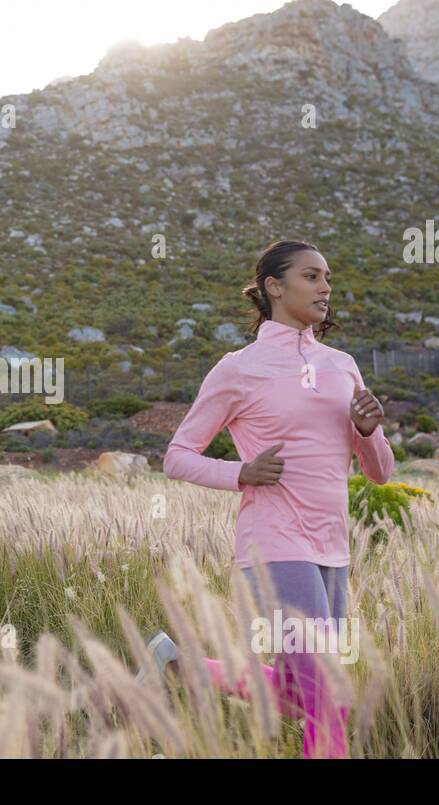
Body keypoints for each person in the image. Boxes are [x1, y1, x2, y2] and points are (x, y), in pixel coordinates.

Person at [153, 240, 395, 758]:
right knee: (328, 693)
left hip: (333, 546)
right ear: (274, 287)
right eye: (311, 276)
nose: (325, 287)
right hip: (275, 542)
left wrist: (369, 432)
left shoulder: (342, 365)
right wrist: (241, 472)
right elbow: (177, 456)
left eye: (328, 277)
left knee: (298, 693)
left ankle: (179, 667)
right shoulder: (239, 368)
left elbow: (380, 474)